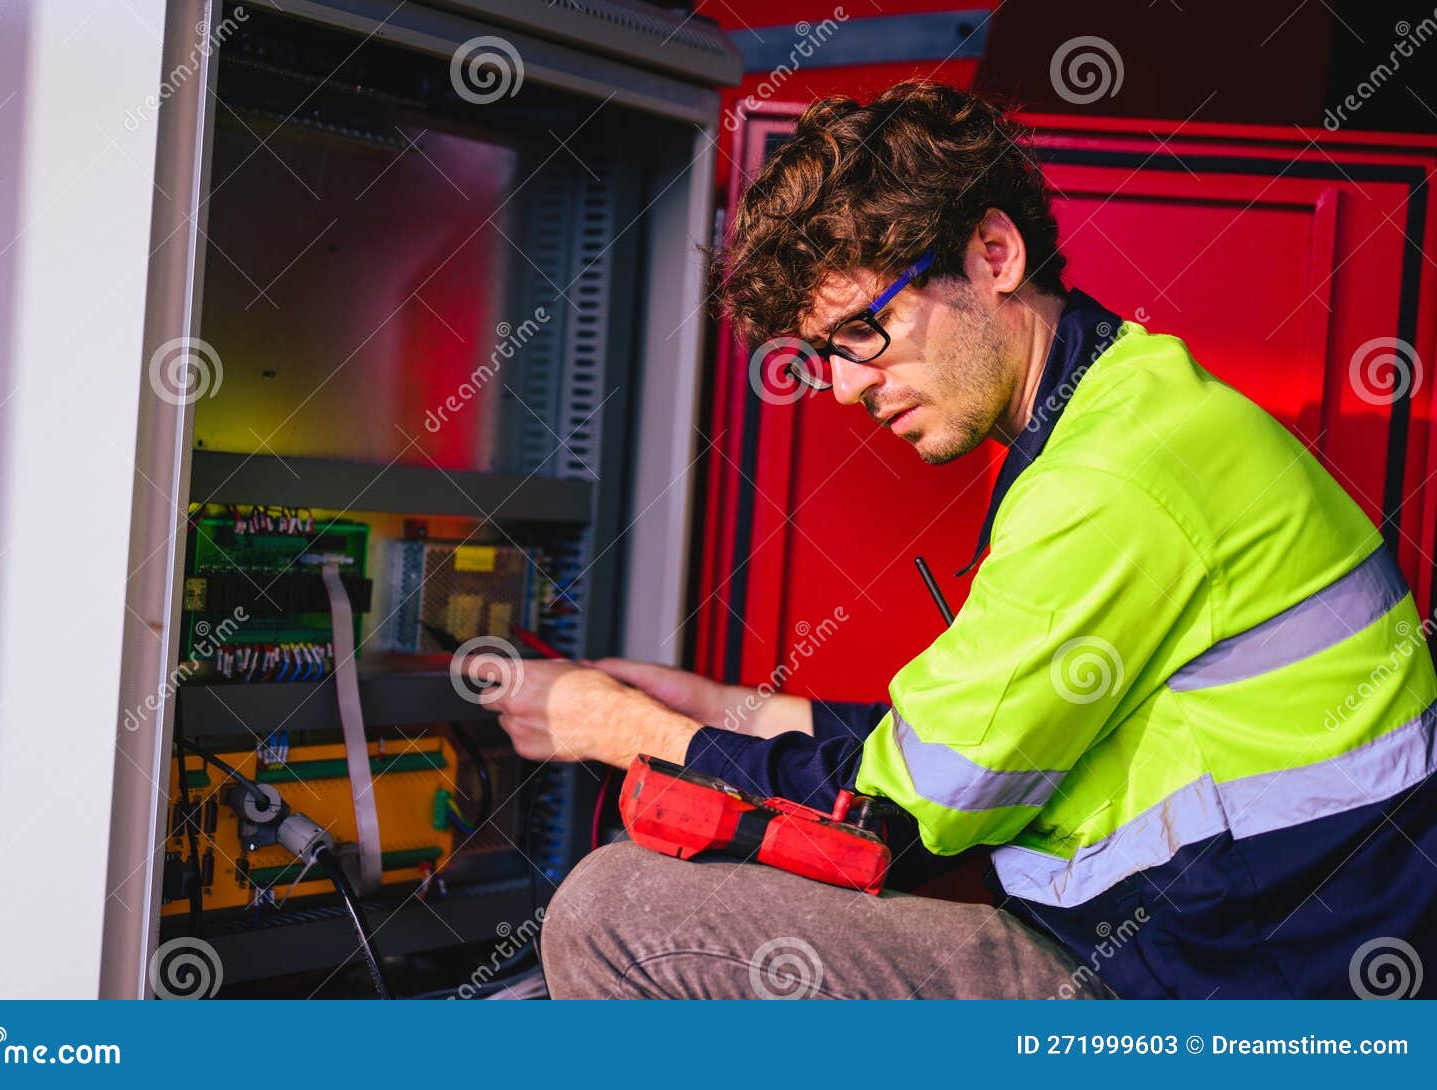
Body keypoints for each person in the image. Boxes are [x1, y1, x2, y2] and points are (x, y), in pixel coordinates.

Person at [492, 81, 1437, 999]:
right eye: (823, 355)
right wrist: (723, 711)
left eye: (863, 331)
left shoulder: (1112, 478)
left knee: (615, 909)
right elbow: (953, 751)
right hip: (1203, 957)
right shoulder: (1124, 413)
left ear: (993, 254)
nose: (843, 388)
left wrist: (617, 732)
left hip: (1214, 1001)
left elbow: (888, 819)